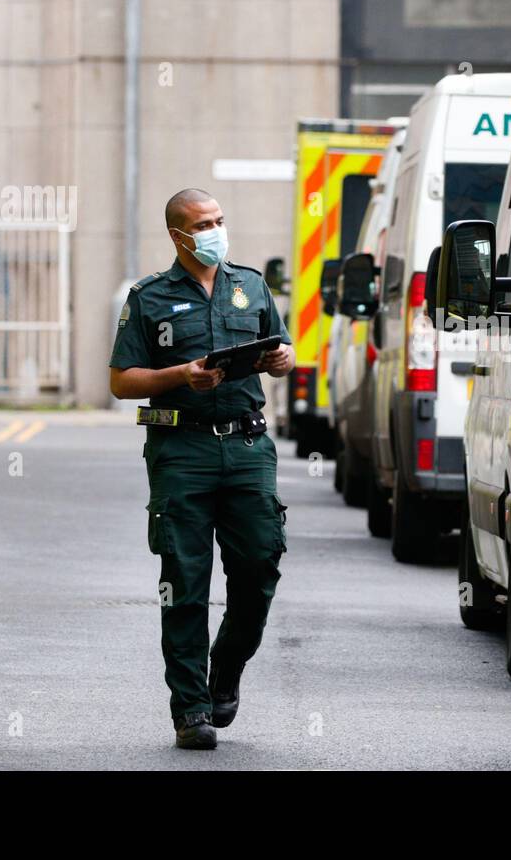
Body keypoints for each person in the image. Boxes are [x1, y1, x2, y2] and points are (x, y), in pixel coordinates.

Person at [109, 188, 295, 750]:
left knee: (260, 571)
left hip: (247, 449)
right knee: (184, 584)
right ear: (179, 235)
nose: (216, 229)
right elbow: (121, 381)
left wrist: (282, 359)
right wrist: (181, 374)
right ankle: (190, 708)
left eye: (219, 219)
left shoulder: (251, 285)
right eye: (203, 223)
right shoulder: (149, 297)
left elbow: (282, 351)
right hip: (180, 452)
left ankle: (226, 669)